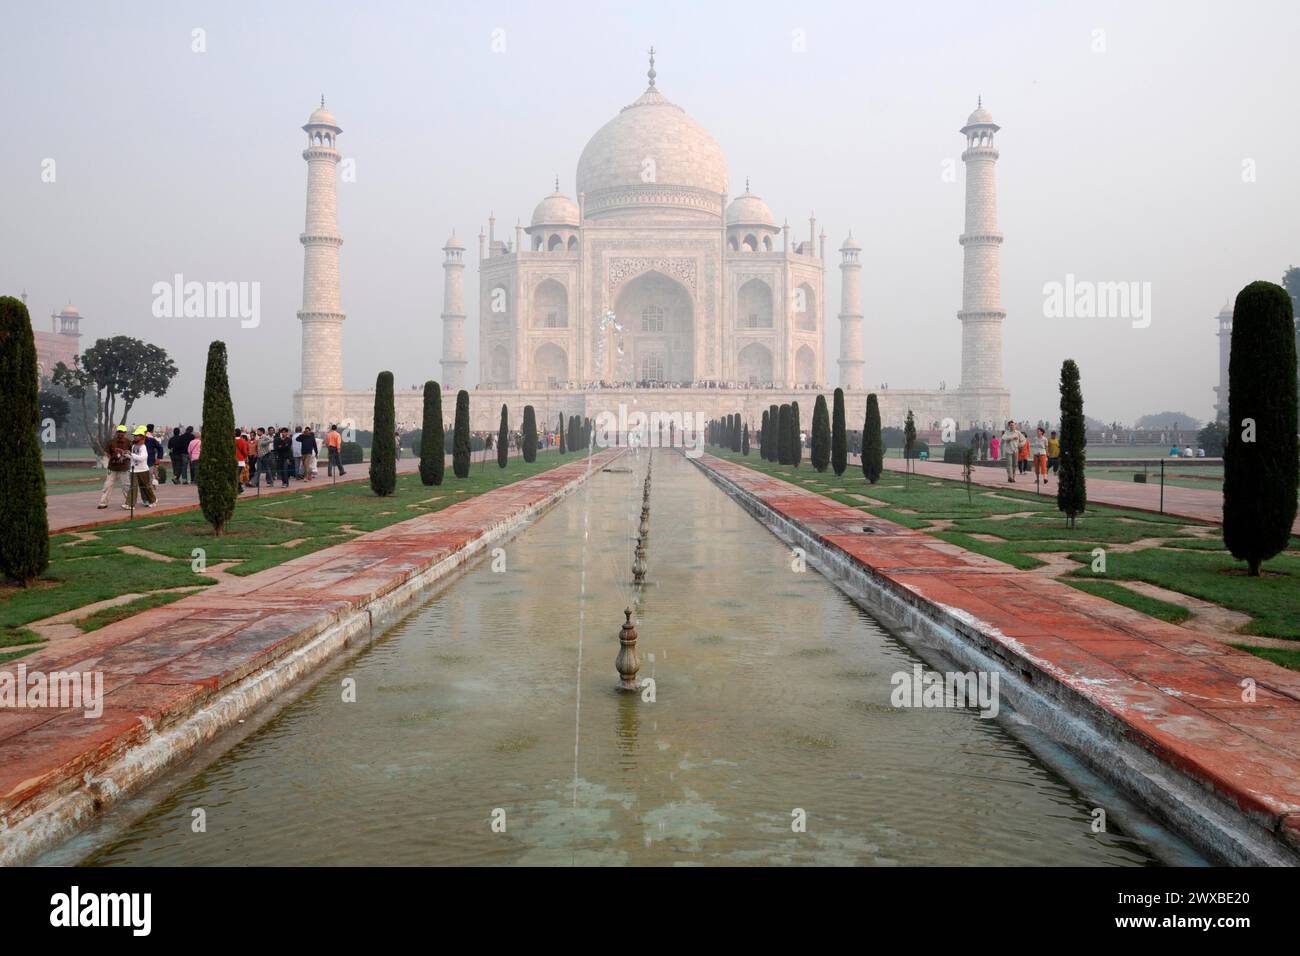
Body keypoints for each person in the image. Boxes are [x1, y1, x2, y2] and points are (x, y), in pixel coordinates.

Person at [98, 424, 133, 509]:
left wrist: (125, 455)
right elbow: (106, 453)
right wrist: (111, 458)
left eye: (122, 432)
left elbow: (132, 454)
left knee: (126, 486)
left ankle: (129, 502)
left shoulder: (128, 442)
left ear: (125, 433)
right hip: (112, 467)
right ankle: (103, 503)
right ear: (117, 432)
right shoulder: (111, 442)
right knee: (107, 485)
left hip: (124, 467)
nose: (121, 433)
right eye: (119, 432)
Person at [129, 426, 157, 508]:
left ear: (142, 436)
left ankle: (153, 500)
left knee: (146, 487)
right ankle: (130, 504)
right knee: (133, 487)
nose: (135, 437)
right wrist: (126, 454)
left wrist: (131, 454)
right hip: (134, 469)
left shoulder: (143, 446)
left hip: (143, 469)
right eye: (134, 435)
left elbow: (142, 458)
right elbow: (133, 458)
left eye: (136, 435)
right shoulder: (134, 446)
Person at [234, 428, 250, 494]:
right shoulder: (242, 441)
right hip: (240, 460)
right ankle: (239, 488)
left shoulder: (231, 440)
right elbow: (245, 452)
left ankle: (239, 488)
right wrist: (245, 457)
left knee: (236, 475)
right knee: (237, 475)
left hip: (233, 460)